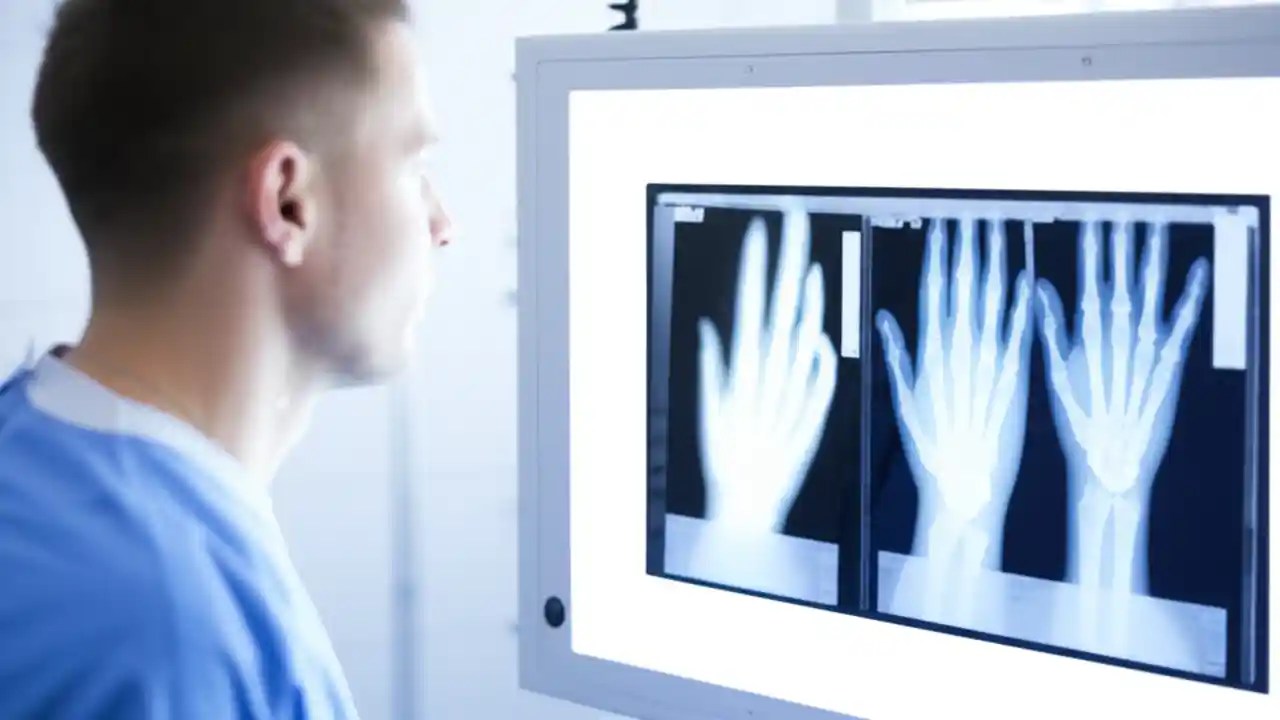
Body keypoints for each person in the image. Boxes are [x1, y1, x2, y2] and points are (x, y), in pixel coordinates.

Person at [0, 0, 452, 717]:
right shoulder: (177, 638)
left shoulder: (25, 451)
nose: (441, 225)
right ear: (288, 201)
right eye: (414, 164)